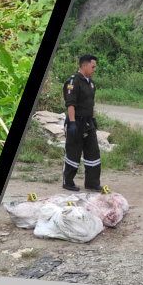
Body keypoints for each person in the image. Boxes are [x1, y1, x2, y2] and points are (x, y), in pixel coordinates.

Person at [62, 54, 103, 192]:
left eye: (95, 67)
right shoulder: (74, 81)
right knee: (73, 152)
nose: (94, 69)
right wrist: (72, 122)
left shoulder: (91, 83)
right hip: (76, 122)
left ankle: (92, 183)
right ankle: (68, 182)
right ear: (84, 65)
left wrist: (93, 118)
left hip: (88, 122)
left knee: (93, 152)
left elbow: (90, 104)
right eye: (93, 67)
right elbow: (70, 104)